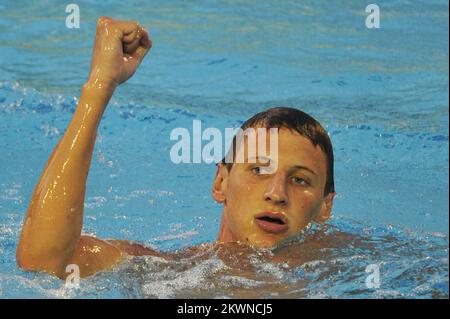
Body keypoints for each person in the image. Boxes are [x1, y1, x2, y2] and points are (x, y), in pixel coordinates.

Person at [16, 17, 335, 279]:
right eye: (258, 169)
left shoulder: (349, 265)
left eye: (301, 179)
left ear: (325, 206)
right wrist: (101, 83)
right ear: (221, 182)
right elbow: (44, 260)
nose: (277, 193)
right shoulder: (167, 272)